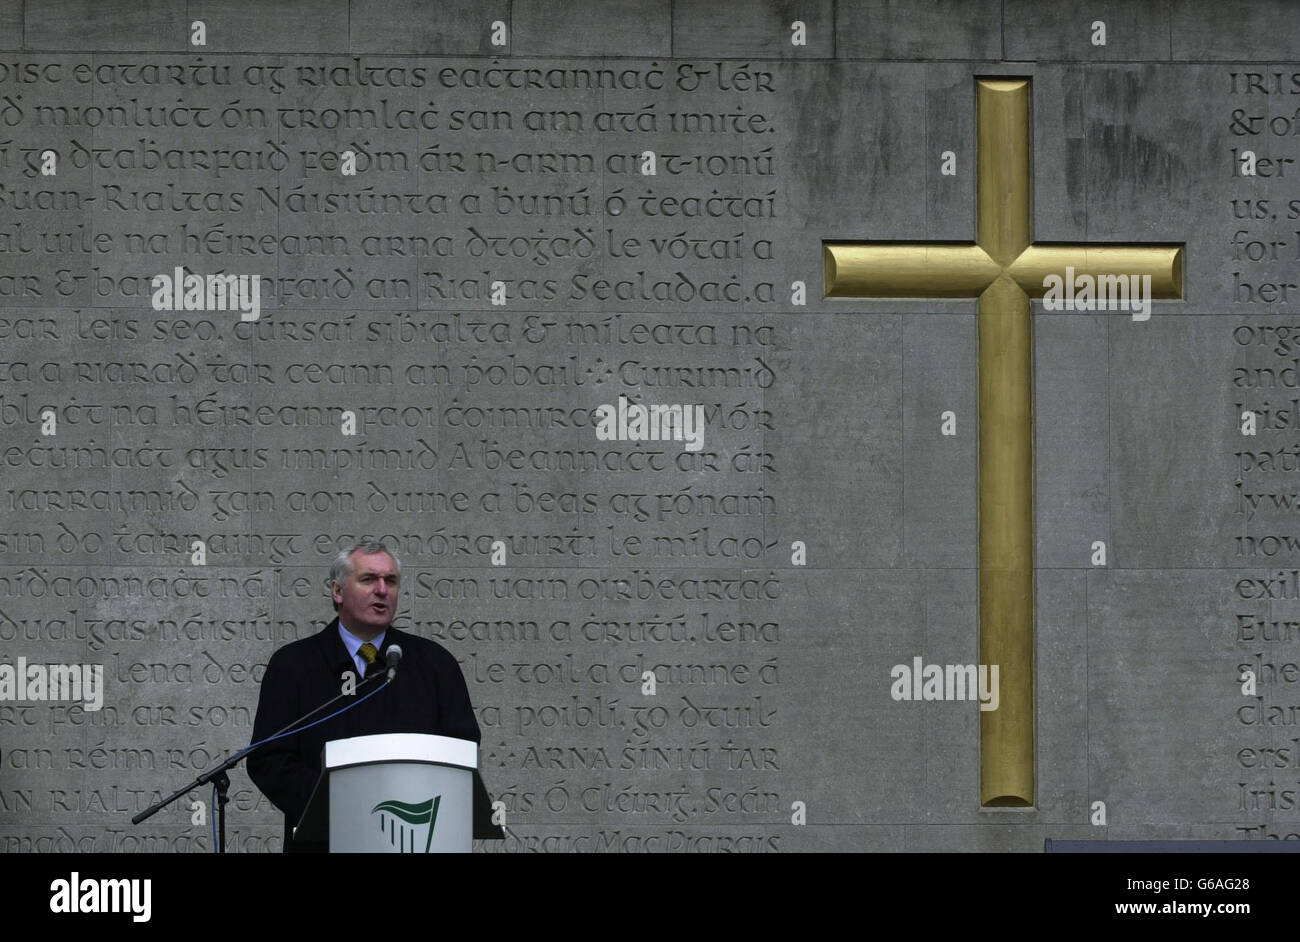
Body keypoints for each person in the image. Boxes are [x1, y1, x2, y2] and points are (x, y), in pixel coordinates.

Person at [247, 541, 481, 850]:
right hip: (324, 841)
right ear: (338, 591)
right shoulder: (293, 665)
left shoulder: (435, 664)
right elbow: (269, 760)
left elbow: (461, 750)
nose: (382, 590)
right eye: (369, 579)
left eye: (391, 581)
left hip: (411, 837)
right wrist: (341, 805)